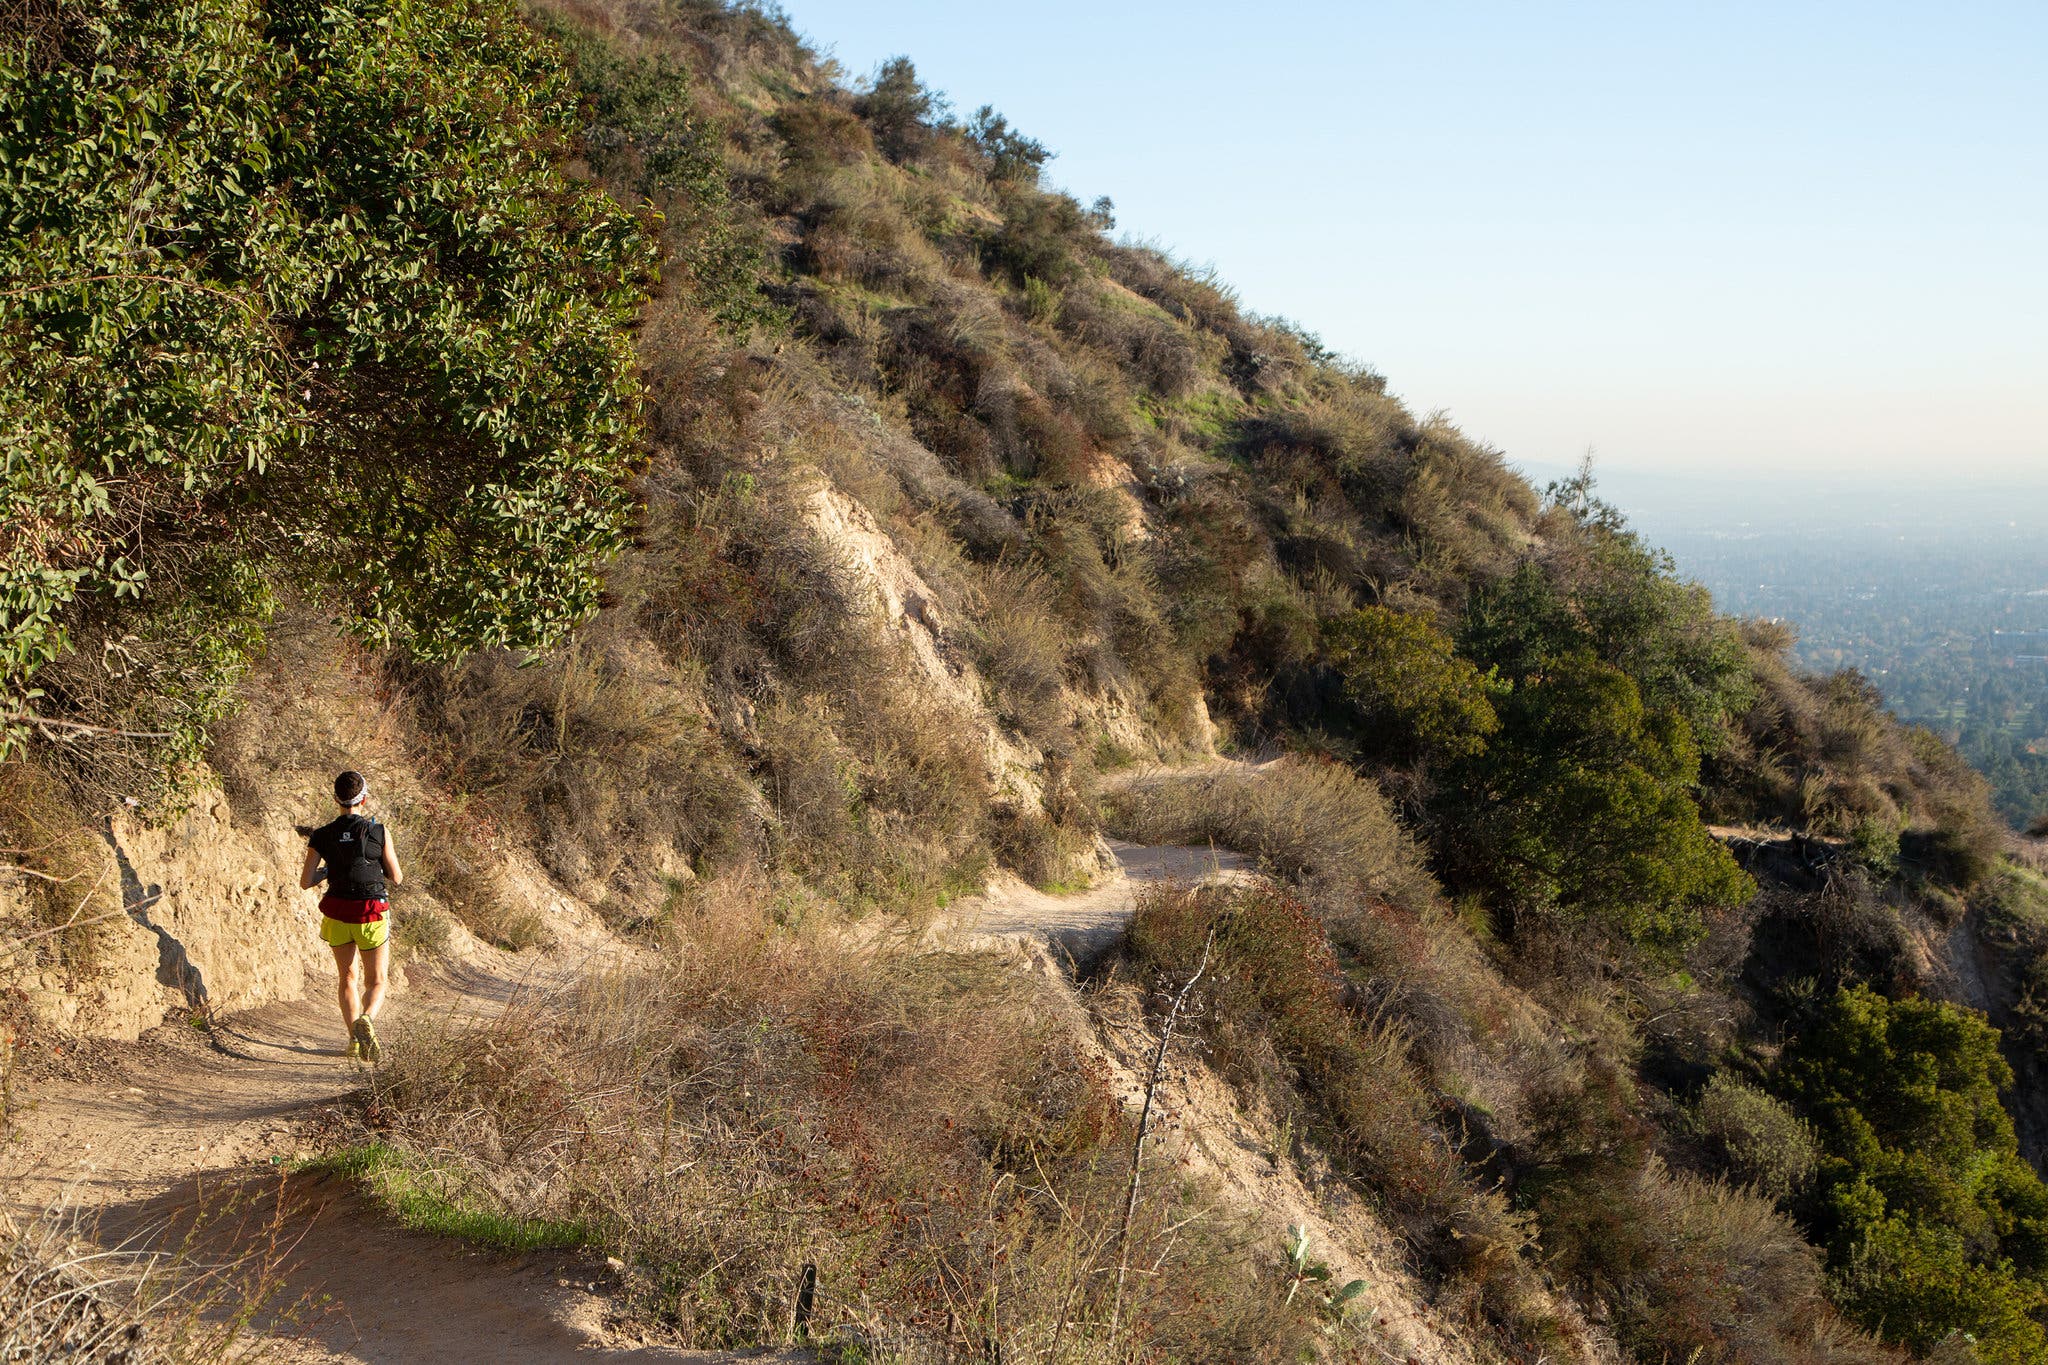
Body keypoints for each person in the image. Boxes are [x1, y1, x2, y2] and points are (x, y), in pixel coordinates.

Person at [300, 770, 403, 1062]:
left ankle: (353, 1042)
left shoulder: (321, 835)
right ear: (364, 799)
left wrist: (329, 870)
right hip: (370, 912)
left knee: (347, 978)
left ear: (336, 799)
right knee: (377, 981)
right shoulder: (378, 831)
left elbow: (306, 881)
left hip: (338, 913)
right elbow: (396, 876)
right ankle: (367, 1019)